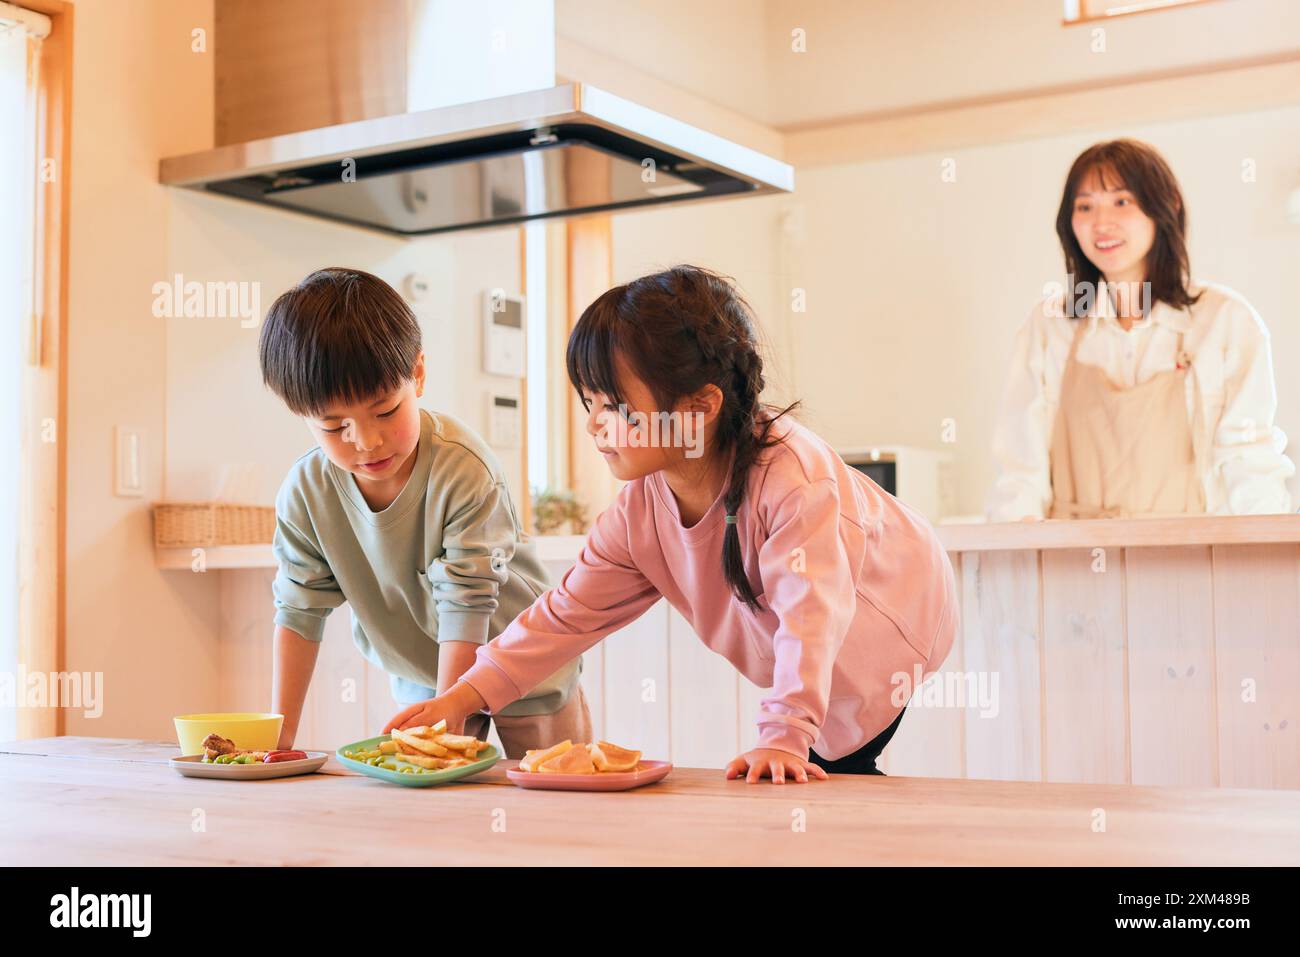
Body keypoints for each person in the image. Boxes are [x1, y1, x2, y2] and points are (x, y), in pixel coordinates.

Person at [384, 265, 957, 783]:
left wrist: (784, 734)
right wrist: (463, 696)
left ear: (698, 408)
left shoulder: (793, 482)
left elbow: (812, 616)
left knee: (831, 770)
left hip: (897, 612)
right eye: (589, 403)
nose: (595, 426)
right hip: (819, 644)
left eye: (615, 406)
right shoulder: (640, 510)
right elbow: (564, 616)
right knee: (813, 768)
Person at [260, 267, 590, 756]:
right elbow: (298, 611)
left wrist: (450, 715)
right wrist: (280, 737)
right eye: (334, 426)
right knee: (429, 793)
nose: (366, 441)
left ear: (417, 374)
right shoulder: (307, 492)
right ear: (300, 414)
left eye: (385, 411)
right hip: (420, 672)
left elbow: (465, 603)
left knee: (552, 783)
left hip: (524, 668)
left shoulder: (463, 468)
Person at [987, 139, 1294, 521]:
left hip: (1190, 552)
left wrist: (1267, 547)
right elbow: (1020, 472)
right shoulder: (1050, 326)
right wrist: (1017, 550)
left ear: (1167, 206)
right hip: (1072, 553)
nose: (1102, 223)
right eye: (1085, 206)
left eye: (1122, 201)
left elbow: (1248, 461)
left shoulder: (1225, 322)